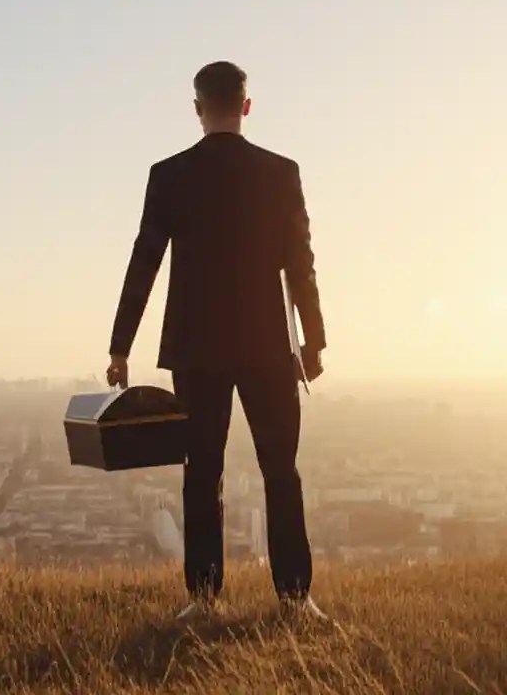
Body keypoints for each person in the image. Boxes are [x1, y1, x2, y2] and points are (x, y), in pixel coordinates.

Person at [105, 61, 328, 620]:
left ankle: (203, 601)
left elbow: (144, 263)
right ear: (247, 107)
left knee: (201, 471)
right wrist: (314, 341)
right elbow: (301, 264)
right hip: (268, 346)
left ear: (199, 108)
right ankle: (296, 600)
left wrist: (120, 346)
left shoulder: (170, 175)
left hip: (196, 347)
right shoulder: (281, 173)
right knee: (281, 468)